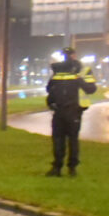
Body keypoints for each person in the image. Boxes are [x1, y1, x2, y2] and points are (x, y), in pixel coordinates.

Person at [44, 46, 97, 177]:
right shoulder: (58, 71)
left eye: (69, 55)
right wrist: (51, 103)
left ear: (74, 55)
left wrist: (78, 79)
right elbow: (51, 89)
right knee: (58, 139)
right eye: (65, 55)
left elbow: (91, 89)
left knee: (72, 140)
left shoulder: (83, 70)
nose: (68, 58)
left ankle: (72, 168)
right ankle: (57, 167)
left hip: (75, 109)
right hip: (59, 110)